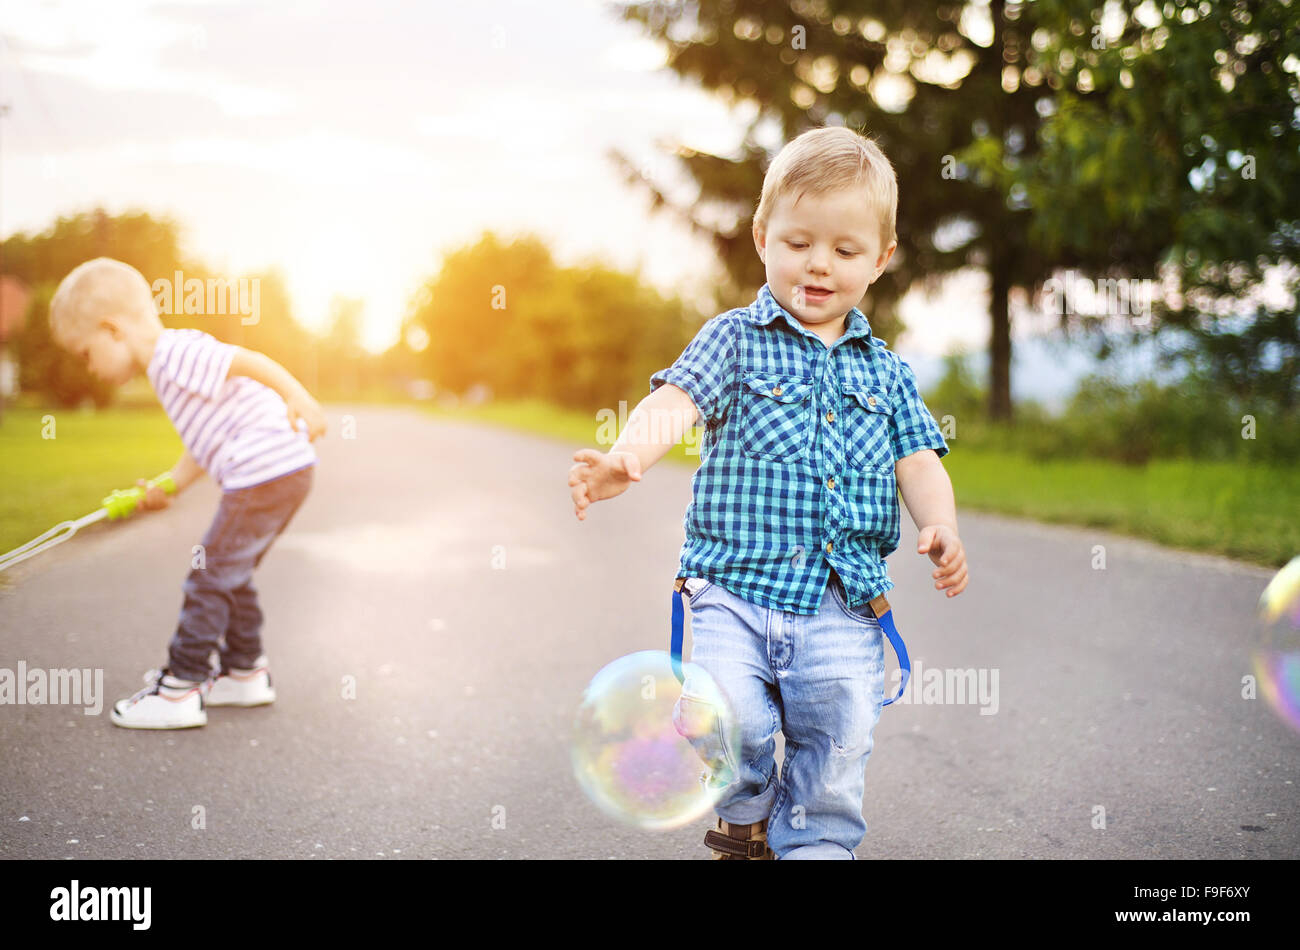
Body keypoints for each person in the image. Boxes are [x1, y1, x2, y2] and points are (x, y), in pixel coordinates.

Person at [568, 126, 969, 859]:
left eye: (845, 251)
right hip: (731, 588)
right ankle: (746, 803)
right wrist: (626, 460)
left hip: (844, 600)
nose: (818, 265)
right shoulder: (734, 339)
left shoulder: (887, 373)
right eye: (797, 243)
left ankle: (815, 840)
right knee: (731, 719)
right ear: (762, 237)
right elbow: (676, 403)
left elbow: (919, 461)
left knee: (842, 734)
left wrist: (940, 525)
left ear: (879, 259)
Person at [48, 257, 326, 729]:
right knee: (229, 573)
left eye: (85, 353)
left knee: (208, 575)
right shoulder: (167, 369)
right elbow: (204, 444)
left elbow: (248, 360)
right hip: (281, 471)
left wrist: (296, 393)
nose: (88, 368)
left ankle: (180, 688)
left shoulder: (172, 352)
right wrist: (167, 487)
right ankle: (244, 672)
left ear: (112, 330)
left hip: (264, 470)